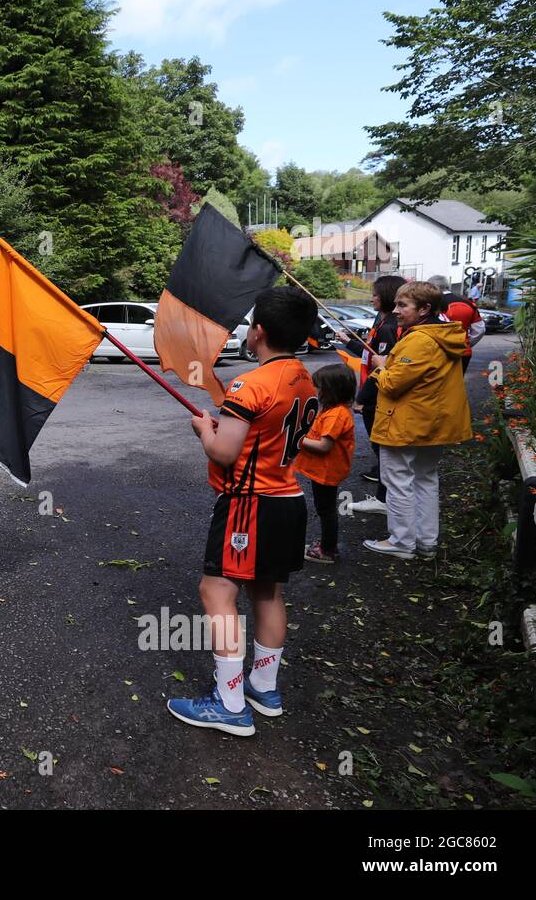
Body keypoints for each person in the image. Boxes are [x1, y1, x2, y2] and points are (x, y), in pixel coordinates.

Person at [167, 286, 319, 736]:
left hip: (250, 506)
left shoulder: (248, 384)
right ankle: (263, 687)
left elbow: (224, 454)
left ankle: (229, 704)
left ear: (257, 333)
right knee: (268, 593)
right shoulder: (303, 378)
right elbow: (262, 436)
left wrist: (203, 430)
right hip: (288, 499)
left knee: (216, 592)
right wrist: (227, 430)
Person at [363, 280, 473, 560]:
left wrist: (380, 367)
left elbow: (393, 384)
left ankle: (401, 541)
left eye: (403, 305)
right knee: (426, 478)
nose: (396, 311)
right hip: (433, 423)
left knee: (397, 479)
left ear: (424, 308)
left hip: (408, 423)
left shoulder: (419, 339)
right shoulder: (443, 334)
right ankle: (426, 541)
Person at [340, 274, 405, 516]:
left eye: (376, 294)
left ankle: (385, 500)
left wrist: (361, 399)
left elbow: (382, 368)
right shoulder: (382, 321)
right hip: (372, 395)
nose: (372, 298)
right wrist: (349, 342)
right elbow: (371, 354)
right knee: (382, 452)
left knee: (383, 451)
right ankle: (385, 497)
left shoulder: (388, 328)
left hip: (377, 398)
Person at [295, 363, 358, 564]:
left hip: (327, 470)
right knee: (326, 508)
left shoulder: (337, 414)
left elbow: (324, 446)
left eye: (319, 387)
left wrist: (297, 438)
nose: (315, 390)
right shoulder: (332, 410)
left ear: (331, 390)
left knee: (327, 510)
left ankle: (328, 550)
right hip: (324, 470)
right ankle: (327, 545)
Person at [427, 274, 484, 374]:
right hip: (463, 352)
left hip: (438, 353)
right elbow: (480, 330)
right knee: (457, 385)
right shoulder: (468, 303)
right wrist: (466, 343)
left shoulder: (430, 304)